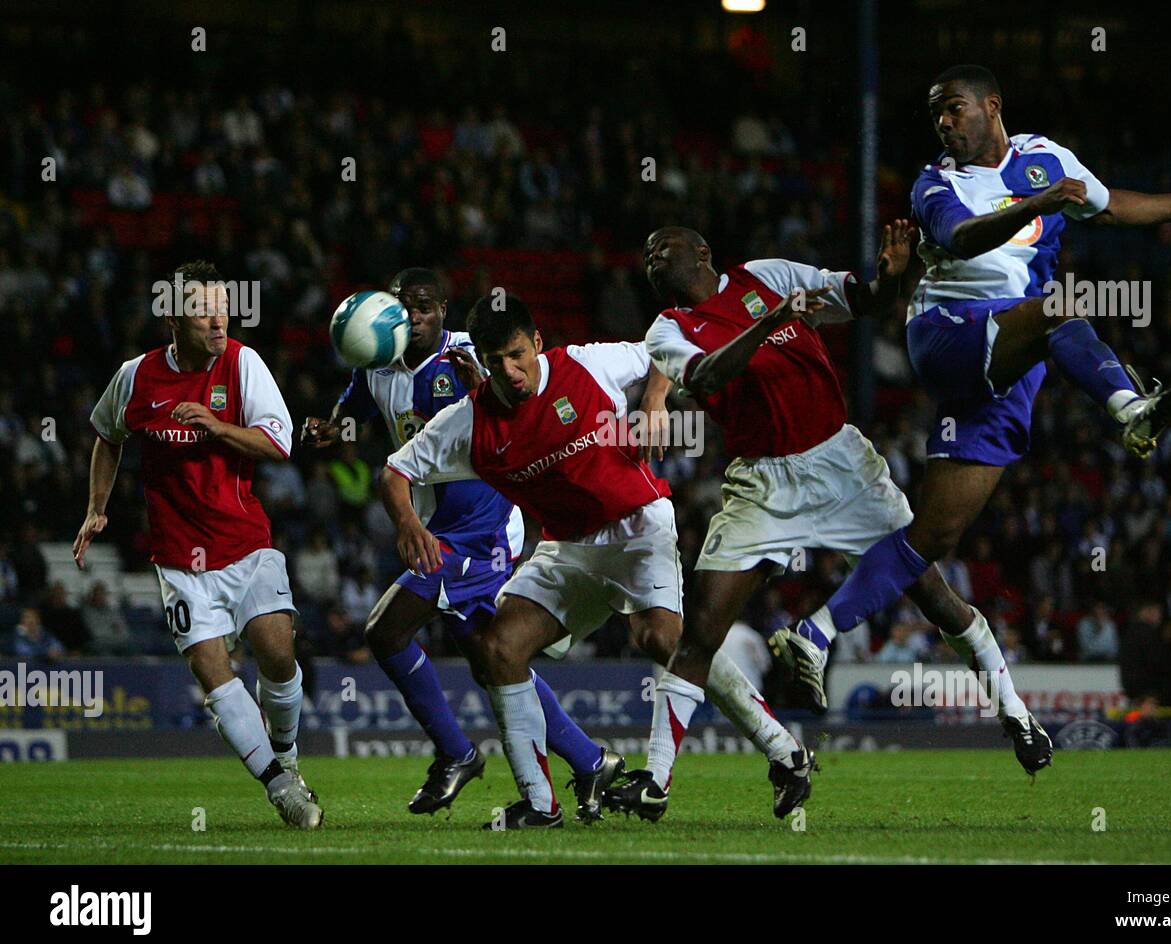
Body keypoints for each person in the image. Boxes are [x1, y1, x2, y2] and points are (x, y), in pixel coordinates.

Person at [777, 63, 1171, 752]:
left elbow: (1112, 204)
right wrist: (1036, 205)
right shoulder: (936, 183)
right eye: (936, 113)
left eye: (954, 109)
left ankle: (815, 631)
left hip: (1012, 362)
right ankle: (1129, 409)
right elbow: (964, 237)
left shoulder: (1044, 157)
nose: (944, 123)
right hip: (951, 335)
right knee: (1061, 307)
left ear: (990, 106)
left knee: (932, 538)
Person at [617, 222, 1044, 823]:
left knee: (934, 596)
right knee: (700, 631)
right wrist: (767, 325)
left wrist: (890, 277)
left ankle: (1017, 717)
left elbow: (860, 301)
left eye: (665, 248)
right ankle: (655, 780)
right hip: (762, 483)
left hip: (842, 466)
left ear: (705, 251)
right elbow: (710, 377)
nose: (654, 258)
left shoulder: (768, 276)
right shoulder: (667, 329)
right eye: (648, 255)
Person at [381, 294, 808, 826]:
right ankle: (540, 804)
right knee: (498, 648)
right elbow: (395, 471)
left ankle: (783, 750)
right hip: (568, 548)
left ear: (538, 343)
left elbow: (663, 348)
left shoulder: (586, 363)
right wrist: (408, 523)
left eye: (518, 355)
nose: (511, 372)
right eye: (496, 363)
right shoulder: (467, 422)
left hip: (637, 524)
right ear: (482, 363)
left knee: (660, 639)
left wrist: (654, 400)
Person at [303, 268, 620, 819]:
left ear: (443, 310)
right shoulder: (376, 361)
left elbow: (523, 403)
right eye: (405, 306)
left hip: (482, 523)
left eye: (425, 306)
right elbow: (354, 403)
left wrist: (484, 385)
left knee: (386, 629)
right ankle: (591, 762)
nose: (415, 316)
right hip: (435, 523)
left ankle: (457, 753)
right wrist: (333, 427)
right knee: (490, 657)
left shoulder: (472, 353)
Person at [74, 260, 321, 829]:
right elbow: (108, 437)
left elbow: (279, 443)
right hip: (179, 561)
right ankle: (280, 787)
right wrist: (96, 506)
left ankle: (286, 753)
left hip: (246, 545)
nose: (219, 321)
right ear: (173, 320)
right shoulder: (136, 378)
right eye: (203, 311)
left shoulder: (242, 363)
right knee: (216, 677)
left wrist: (217, 426)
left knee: (278, 652)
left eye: (222, 308)